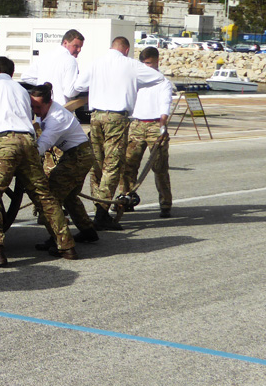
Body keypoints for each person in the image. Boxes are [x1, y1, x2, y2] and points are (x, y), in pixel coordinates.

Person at [0, 57, 77, 265]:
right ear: (11, 72)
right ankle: (66, 245)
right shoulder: (21, 91)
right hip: (27, 142)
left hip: (4, 142)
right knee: (44, 196)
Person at [72, 36, 164, 232]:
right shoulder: (130, 64)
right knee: (112, 165)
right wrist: (134, 83)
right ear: (126, 50)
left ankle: (98, 203)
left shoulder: (96, 63)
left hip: (95, 117)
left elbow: (77, 87)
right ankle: (101, 212)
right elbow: (157, 77)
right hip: (116, 118)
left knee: (96, 162)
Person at [28, 82, 97, 247]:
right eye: (33, 107)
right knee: (70, 196)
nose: (35, 111)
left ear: (49, 103)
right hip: (77, 153)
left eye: (38, 107)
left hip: (78, 156)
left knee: (51, 197)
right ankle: (88, 232)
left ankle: (57, 240)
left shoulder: (56, 118)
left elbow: (42, 145)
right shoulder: (45, 110)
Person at [121, 47, 174, 218]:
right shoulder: (137, 81)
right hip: (136, 124)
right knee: (129, 165)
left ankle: (165, 204)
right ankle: (127, 198)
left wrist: (162, 126)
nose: (146, 67)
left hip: (154, 125)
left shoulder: (163, 82)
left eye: (149, 63)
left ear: (157, 61)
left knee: (159, 167)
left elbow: (165, 105)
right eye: (144, 64)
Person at [20, 29, 85, 105]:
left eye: (80, 47)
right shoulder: (70, 60)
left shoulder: (45, 56)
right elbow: (69, 92)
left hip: (43, 109)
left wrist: (43, 83)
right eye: (76, 46)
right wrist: (82, 87)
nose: (79, 50)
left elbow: (26, 76)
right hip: (60, 109)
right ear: (65, 43)